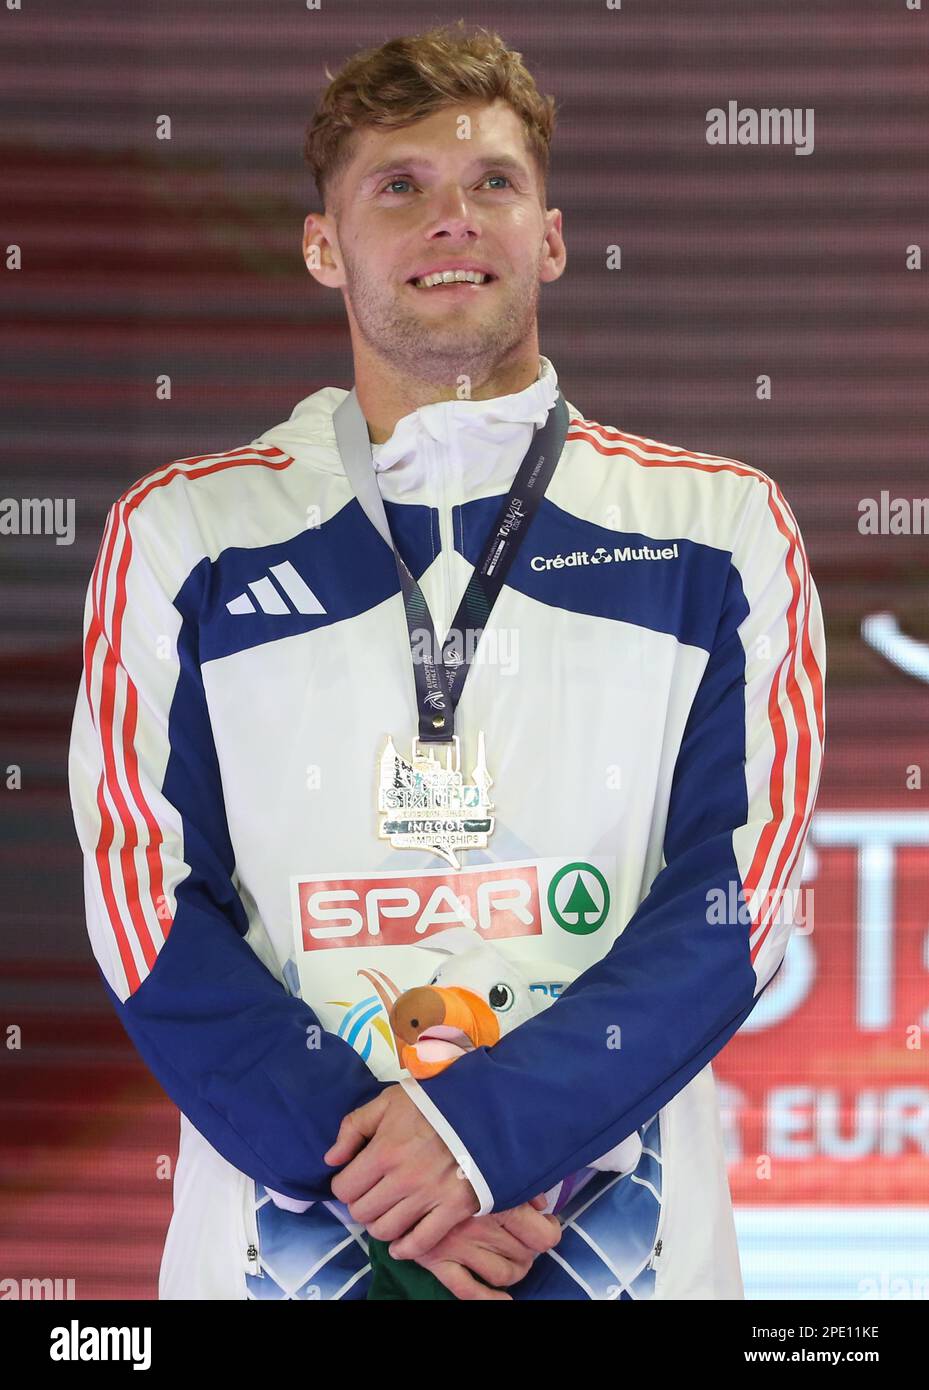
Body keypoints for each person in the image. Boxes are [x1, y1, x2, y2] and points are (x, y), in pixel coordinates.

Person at [67, 21, 826, 1301]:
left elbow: (735, 899)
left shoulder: (718, 526)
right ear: (324, 244)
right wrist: (393, 1169)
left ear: (550, 235)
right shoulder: (186, 532)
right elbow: (147, 905)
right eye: (398, 187)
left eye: (492, 185)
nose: (451, 220)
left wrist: (485, 1139)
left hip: (616, 1253)